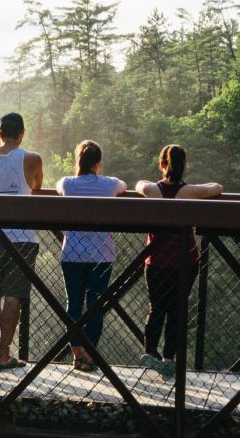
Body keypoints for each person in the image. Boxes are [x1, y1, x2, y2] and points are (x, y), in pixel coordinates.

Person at [134, 143, 222, 376]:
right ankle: (169, 359)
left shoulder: (153, 190)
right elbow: (217, 187)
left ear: (162, 165)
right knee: (176, 310)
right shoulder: (190, 192)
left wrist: (149, 182)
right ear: (184, 165)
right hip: (185, 261)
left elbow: (138, 184)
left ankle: (150, 352)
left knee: (157, 308)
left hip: (156, 261)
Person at [0, 111, 47, 370]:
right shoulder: (31, 158)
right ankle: (5, 353)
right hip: (23, 238)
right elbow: (37, 185)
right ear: (22, 134)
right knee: (14, 295)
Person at [56, 140, 126, 371]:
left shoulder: (68, 184)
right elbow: (123, 186)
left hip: (73, 253)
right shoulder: (109, 185)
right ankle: (89, 354)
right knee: (95, 306)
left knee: (73, 304)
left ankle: (77, 354)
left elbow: (57, 186)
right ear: (98, 163)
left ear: (78, 161)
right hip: (101, 254)